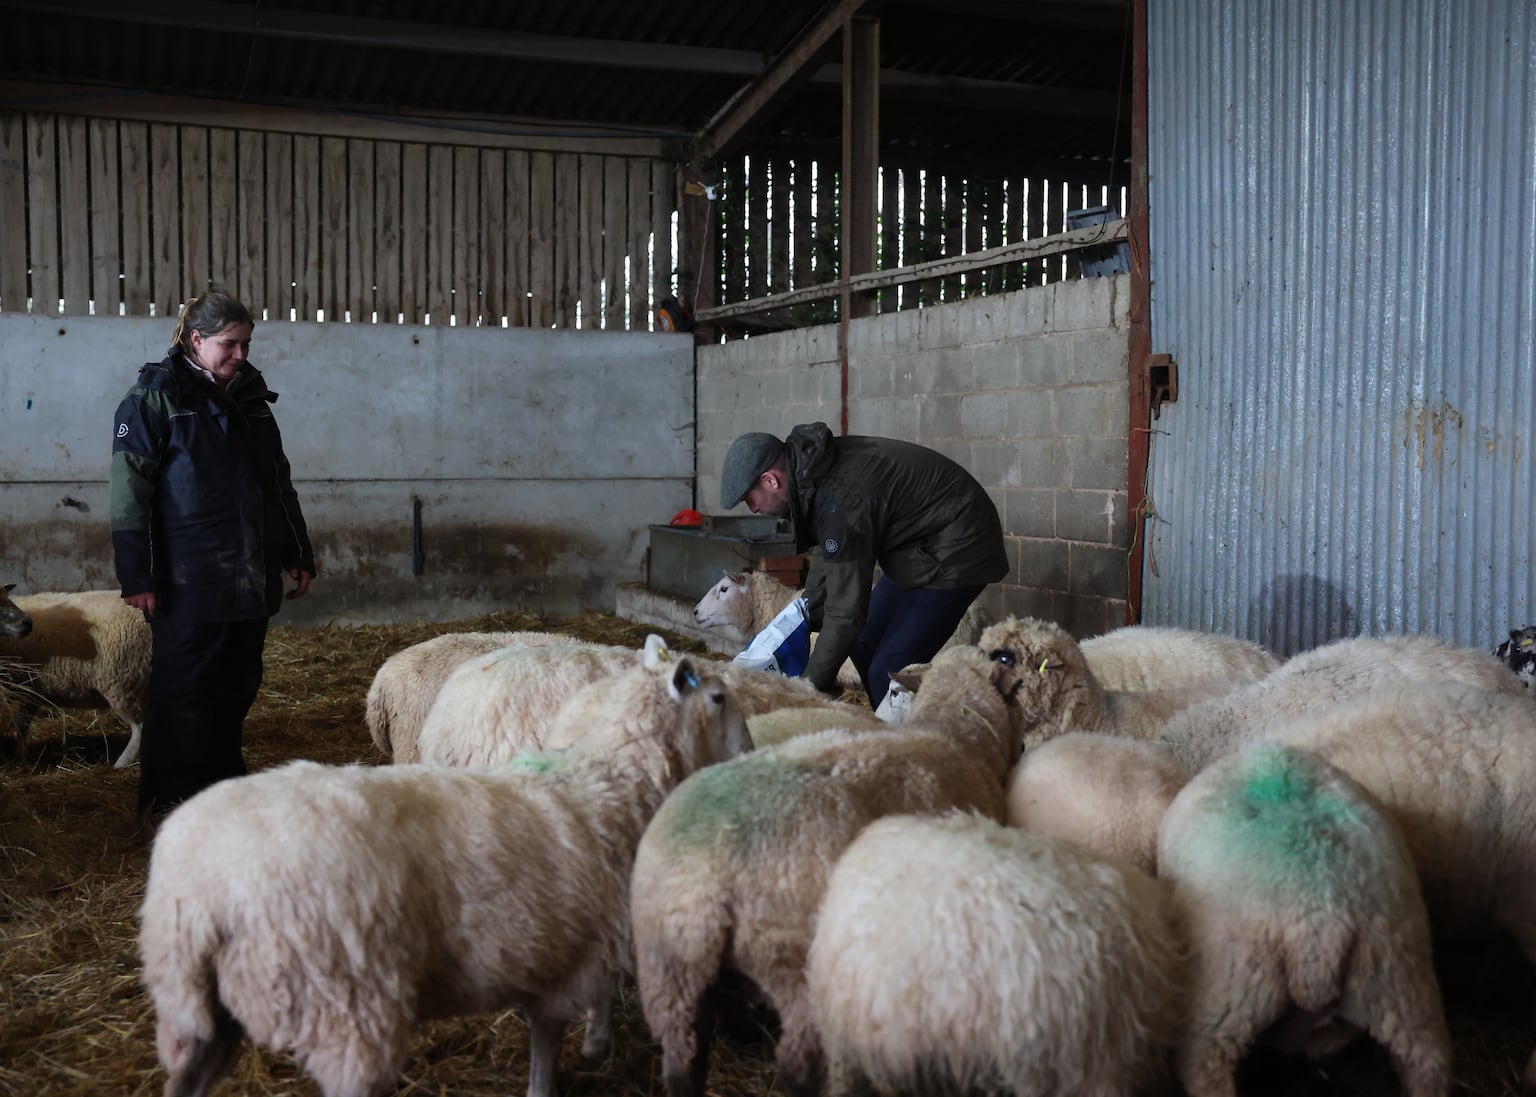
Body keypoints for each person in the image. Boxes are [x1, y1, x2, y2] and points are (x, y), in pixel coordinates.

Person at [110, 291, 316, 817]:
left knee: (238, 685)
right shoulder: (154, 399)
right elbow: (129, 495)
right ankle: (165, 801)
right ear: (196, 340)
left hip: (249, 575)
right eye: (230, 344)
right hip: (188, 578)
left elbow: (277, 483)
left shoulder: (251, 400)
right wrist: (138, 575)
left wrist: (296, 550)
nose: (241, 356)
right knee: (184, 691)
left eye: (247, 344)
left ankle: (223, 796)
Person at [720, 422, 1007, 707]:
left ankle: (922, 741)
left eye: (749, 499)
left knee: (890, 668)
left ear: (771, 480)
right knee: (863, 643)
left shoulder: (840, 498)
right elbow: (829, 555)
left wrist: (806, 690)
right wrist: (800, 616)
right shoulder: (811, 474)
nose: (754, 509)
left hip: (959, 546)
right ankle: (891, 722)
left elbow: (846, 612)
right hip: (918, 546)